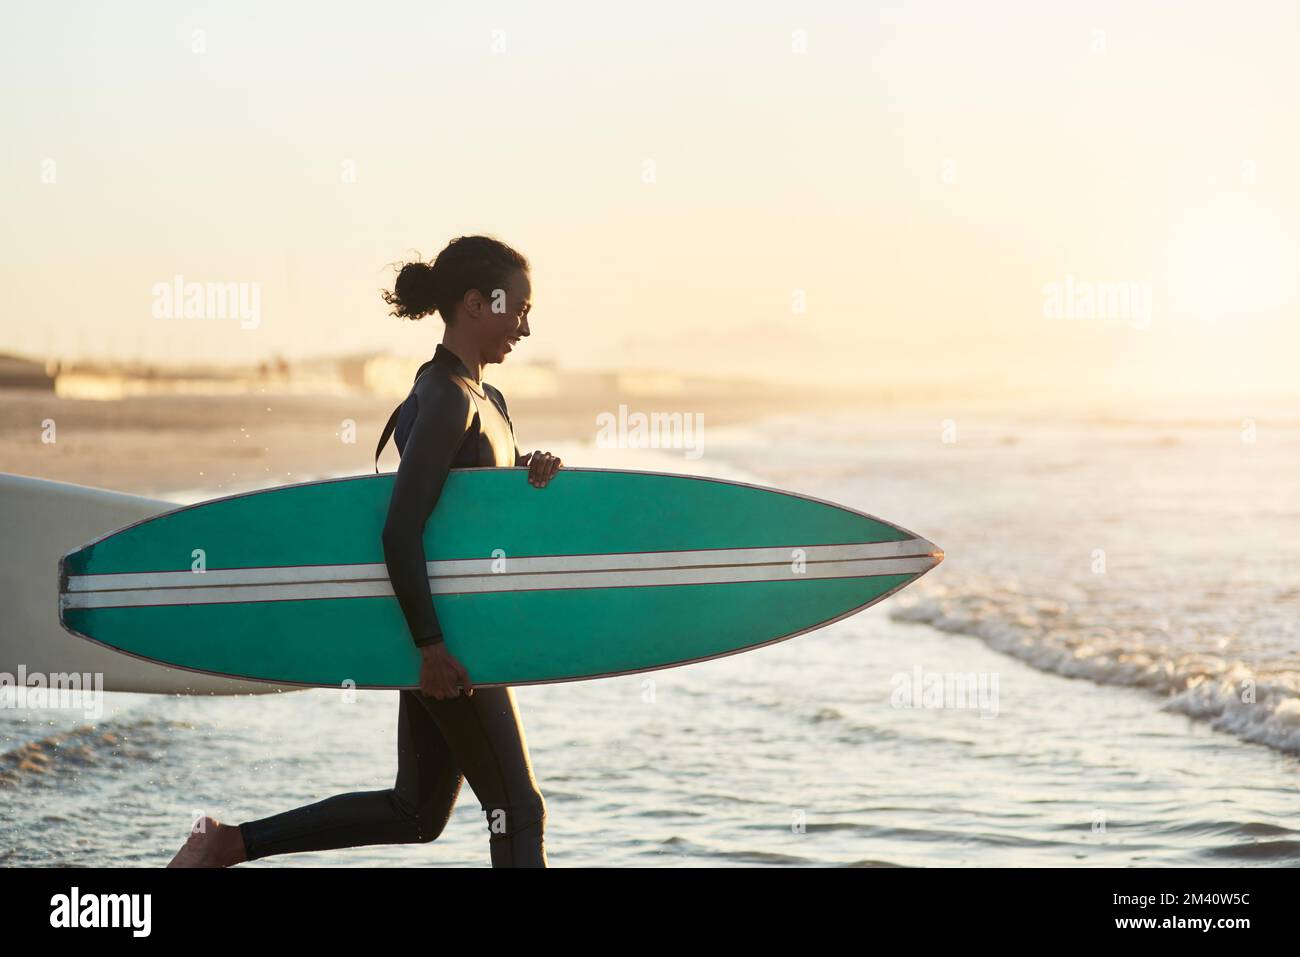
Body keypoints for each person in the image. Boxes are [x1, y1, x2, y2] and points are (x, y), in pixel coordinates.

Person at [168, 235, 561, 867]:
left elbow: (471, 515)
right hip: (446, 640)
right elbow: (400, 529)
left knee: (417, 812)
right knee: (518, 809)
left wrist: (529, 473)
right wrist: (430, 649)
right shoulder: (443, 397)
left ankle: (226, 844)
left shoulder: (487, 400)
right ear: (474, 302)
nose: (526, 326)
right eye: (517, 308)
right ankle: (226, 845)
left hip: (460, 631)